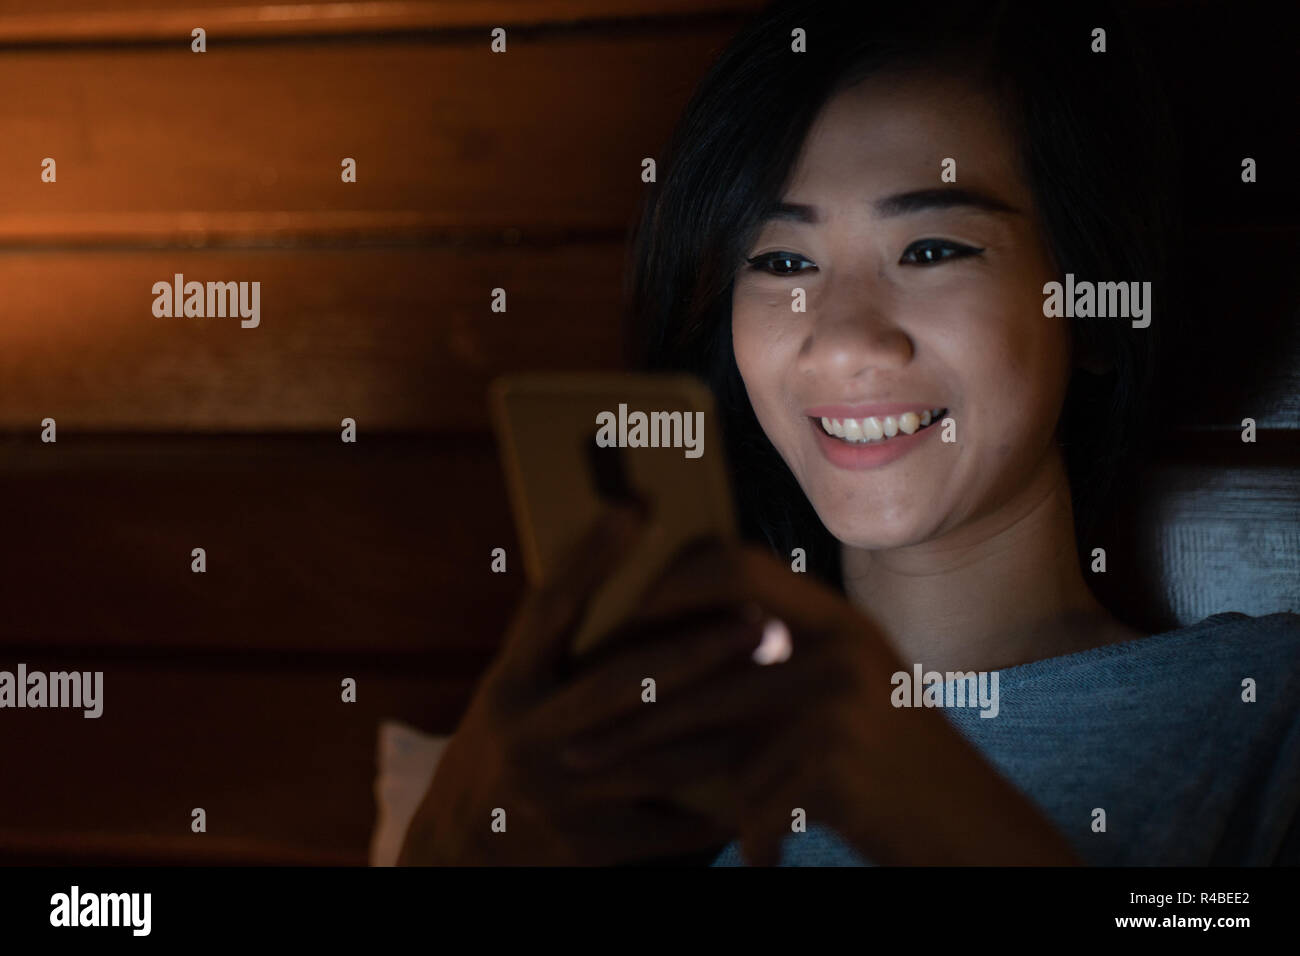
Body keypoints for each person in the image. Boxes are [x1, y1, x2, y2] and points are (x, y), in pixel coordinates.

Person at [398, 0, 1300, 866]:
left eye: (933, 250)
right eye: (784, 262)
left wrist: (939, 814)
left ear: (1096, 309)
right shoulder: (637, 747)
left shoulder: (1261, 713)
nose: (842, 338)